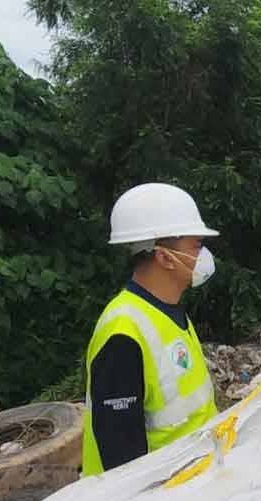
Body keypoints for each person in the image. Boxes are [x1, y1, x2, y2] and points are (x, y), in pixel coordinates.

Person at [81, 183, 220, 476]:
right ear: (165, 257)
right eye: (196, 244)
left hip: (194, 484)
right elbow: (123, 464)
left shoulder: (167, 311)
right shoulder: (124, 334)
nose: (204, 255)